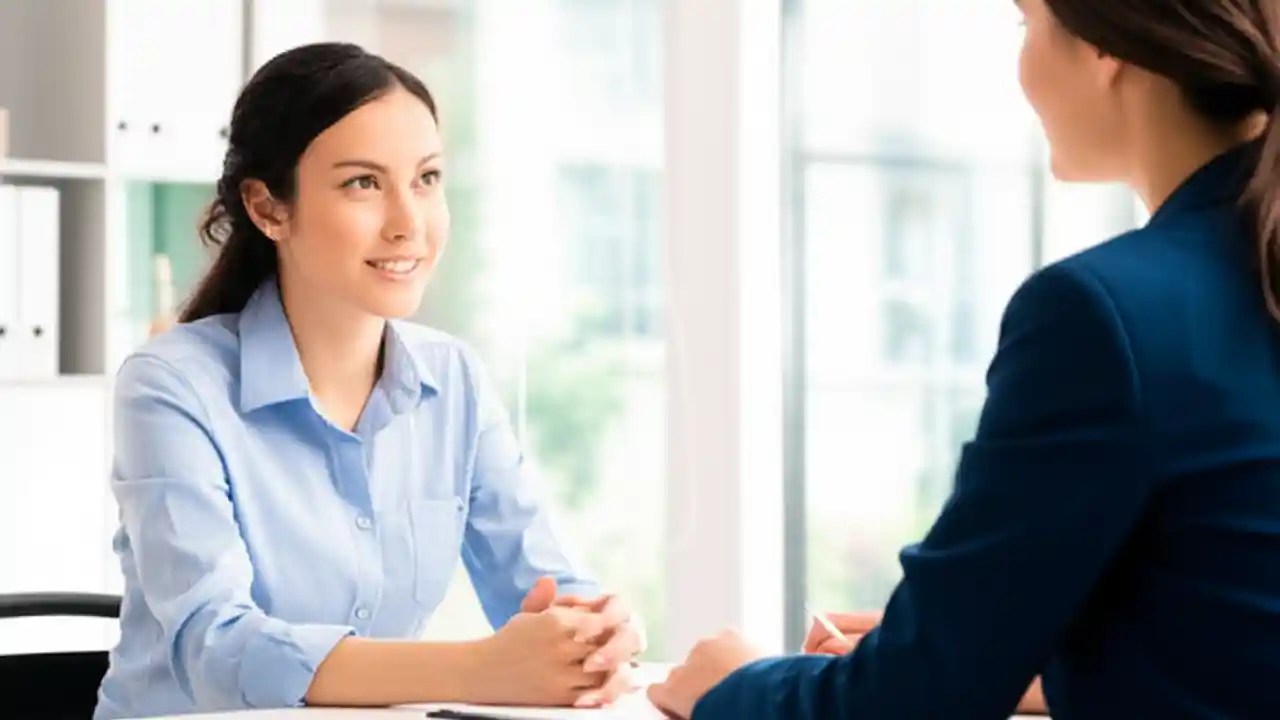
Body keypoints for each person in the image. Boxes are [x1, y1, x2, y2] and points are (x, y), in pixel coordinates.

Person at [650, 0, 1280, 717]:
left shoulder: (1105, 314)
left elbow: (911, 702)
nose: (1021, 65)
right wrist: (1005, 649)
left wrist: (732, 684)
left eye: (1025, 24)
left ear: (1107, 53)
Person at [94, 42, 642, 720]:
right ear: (268, 209)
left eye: (427, 179)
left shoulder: (454, 381)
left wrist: (594, 636)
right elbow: (219, 649)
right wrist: (478, 668)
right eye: (363, 183)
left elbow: (544, 588)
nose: (409, 223)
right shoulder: (173, 385)